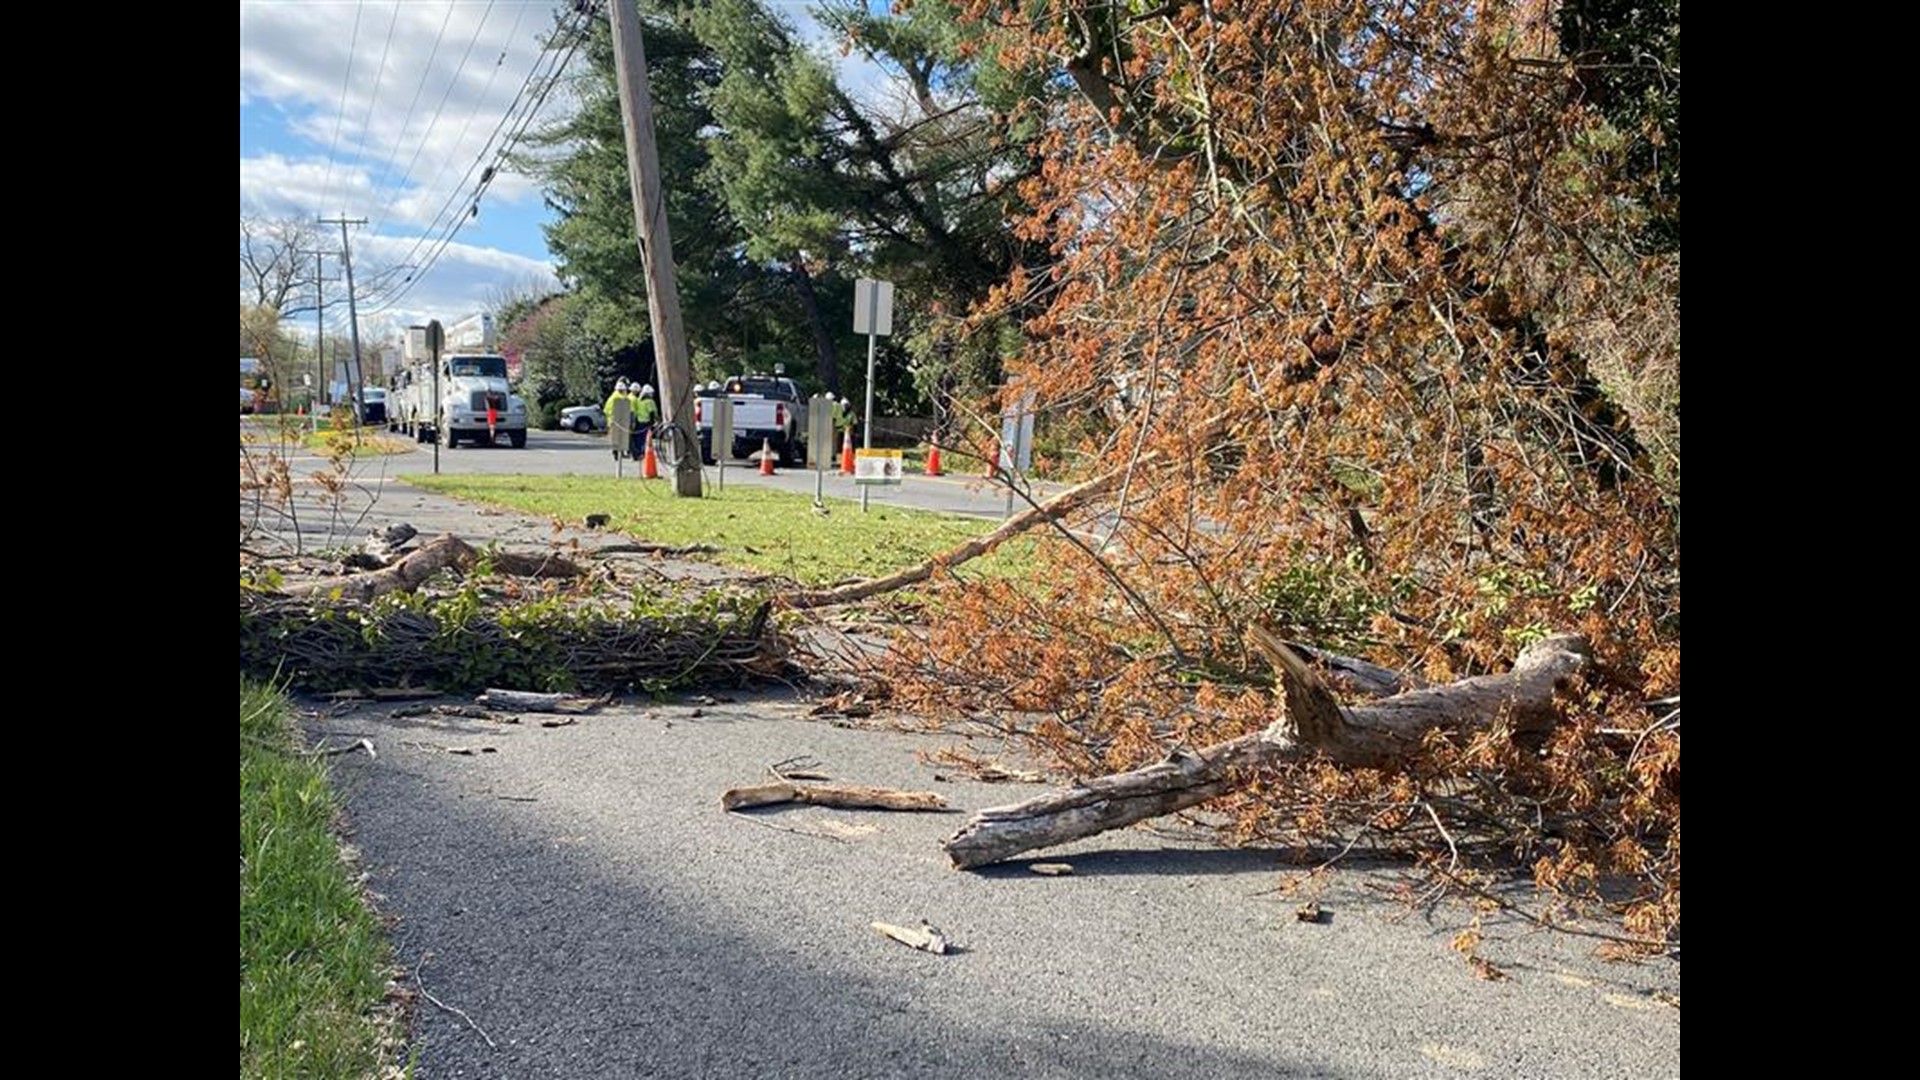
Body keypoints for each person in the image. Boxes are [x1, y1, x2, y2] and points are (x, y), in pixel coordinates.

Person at [630, 383, 659, 458]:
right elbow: (651, 413)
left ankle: (639, 452)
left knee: (639, 438)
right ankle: (644, 452)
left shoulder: (639, 401)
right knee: (646, 438)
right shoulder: (649, 402)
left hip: (639, 421)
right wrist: (653, 423)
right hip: (647, 422)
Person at [605, 379, 631, 458]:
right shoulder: (621, 397)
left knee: (615, 438)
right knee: (621, 437)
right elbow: (626, 408)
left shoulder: (611, 397)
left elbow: (606, 410)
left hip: (612, 420)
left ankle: (615, 452)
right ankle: (620, 453)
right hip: (620, 420)